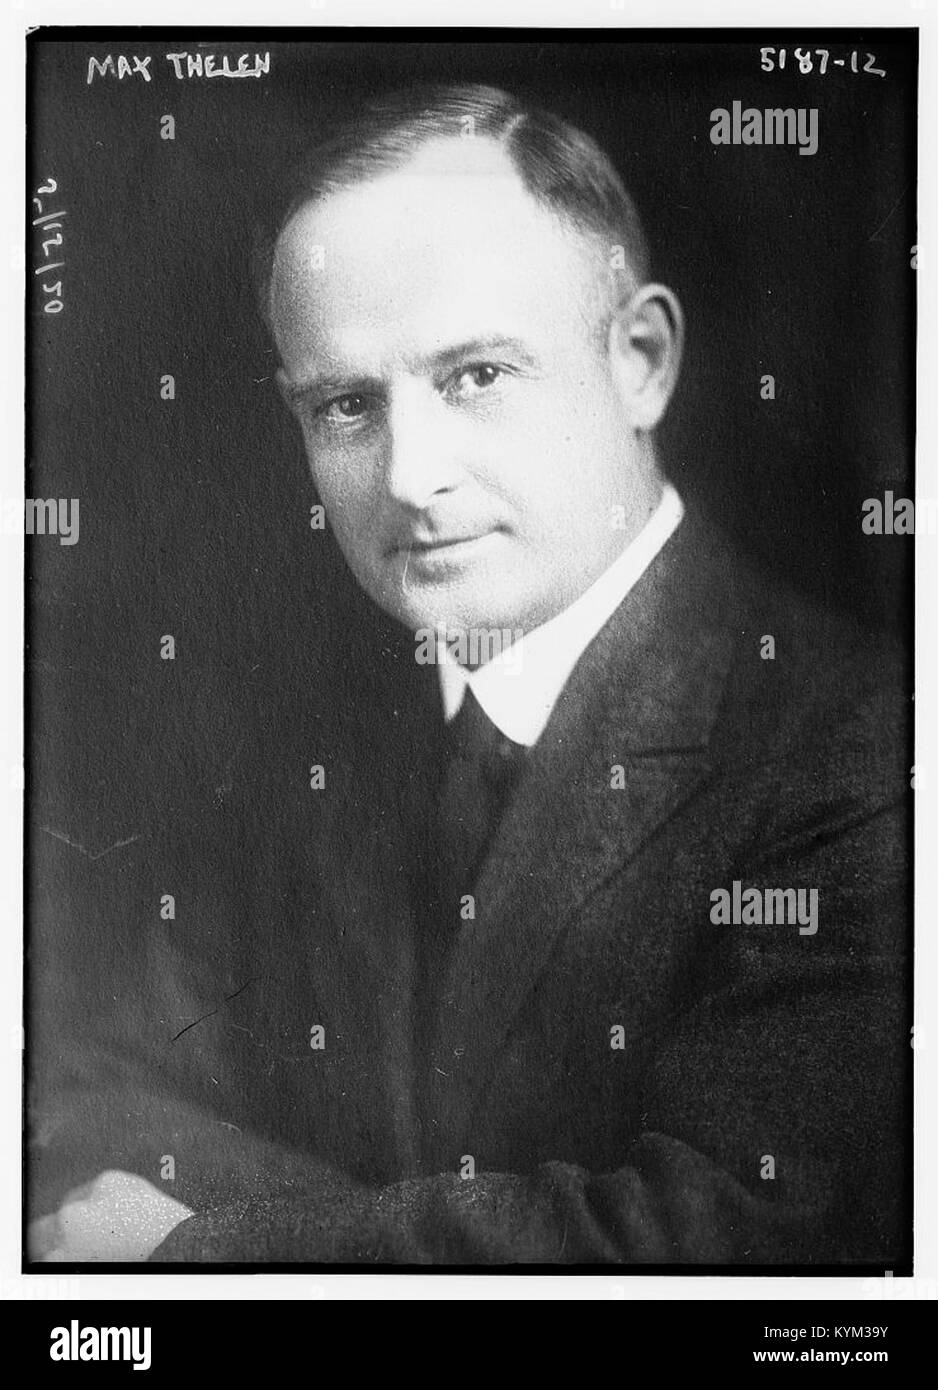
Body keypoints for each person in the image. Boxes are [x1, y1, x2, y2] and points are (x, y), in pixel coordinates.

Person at [28, 84, 909, 1265]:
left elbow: (732, 1235)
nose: (409, 477)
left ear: (640, 361)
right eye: (346, 405)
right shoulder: (308, 730)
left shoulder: (866, 748)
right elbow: (80, 1082)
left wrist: (213, 1249)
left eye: (476, 375)